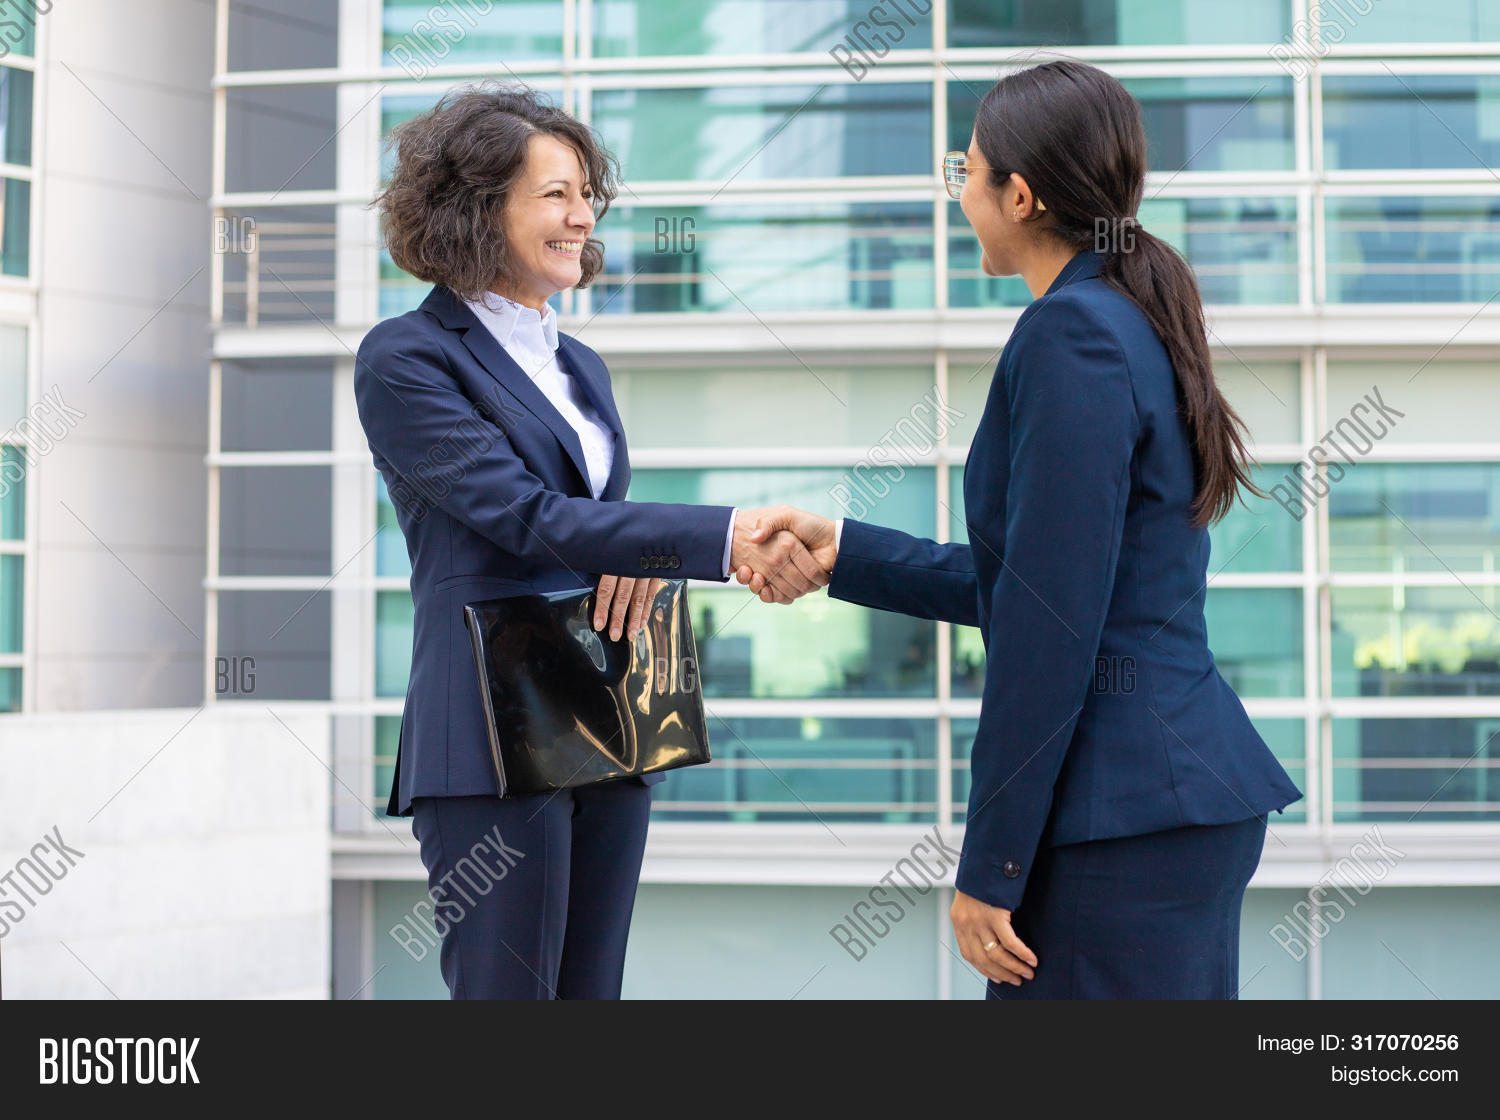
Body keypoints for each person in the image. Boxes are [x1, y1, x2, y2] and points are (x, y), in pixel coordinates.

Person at [738, 60, 1303, 1000]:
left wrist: (990, 867)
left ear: (1021, 193)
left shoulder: (1071, 333)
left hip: (1115, 819)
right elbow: (1046, 577)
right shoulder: (1127, 318)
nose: (959, 195)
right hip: (1162, 805)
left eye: (965, 172)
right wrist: (848, 549)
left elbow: (1051, 627)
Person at [353, 84, 825, 999]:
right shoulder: (407, 357)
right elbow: (527, 516)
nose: (583, 216)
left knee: (590, 994)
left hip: (610, 707)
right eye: (556, 194)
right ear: (479, 209)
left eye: (586, 193)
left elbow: (601, 522)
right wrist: (725, 537)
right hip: (492, 728)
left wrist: (642, 571)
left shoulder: (579, 364)